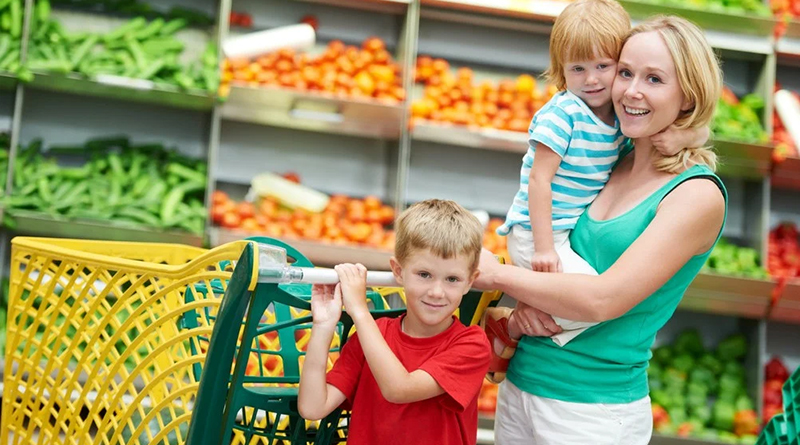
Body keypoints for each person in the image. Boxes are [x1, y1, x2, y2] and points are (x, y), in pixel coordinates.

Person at [475, 15, 728, 445]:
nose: (631, 90)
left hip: (592, 411)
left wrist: (493, 274)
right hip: (521, 386)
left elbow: (603, 299)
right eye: (625, 72)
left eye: (654, 79)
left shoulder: (695, 195)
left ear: (687, 96)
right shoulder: (614, 152)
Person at [297, 199, 491, 445]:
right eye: (424, 275)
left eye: (452, 279)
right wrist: (323, 326)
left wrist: (359, 310)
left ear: (470, 281)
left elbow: (398, 389)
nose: (437, 291)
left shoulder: (471, 345)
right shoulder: (373, 336)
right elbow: (313, 407)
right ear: (398, 272)